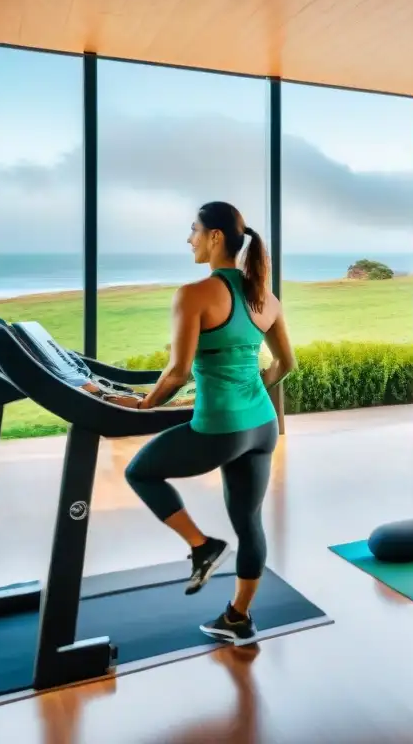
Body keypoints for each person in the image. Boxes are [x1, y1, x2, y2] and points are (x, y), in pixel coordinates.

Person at [107, 201, 296, 645]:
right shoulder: (265, 298)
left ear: (215, 238)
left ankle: (201, 545)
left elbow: (176, 371)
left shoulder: (193, 294)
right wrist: (247, 393)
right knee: (249, 523)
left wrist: (143, 406)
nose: (189, 239)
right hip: (262, 427)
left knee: (140, 471)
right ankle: (238, 618)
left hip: (219, 429)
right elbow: (286, 363)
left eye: (193, 230)